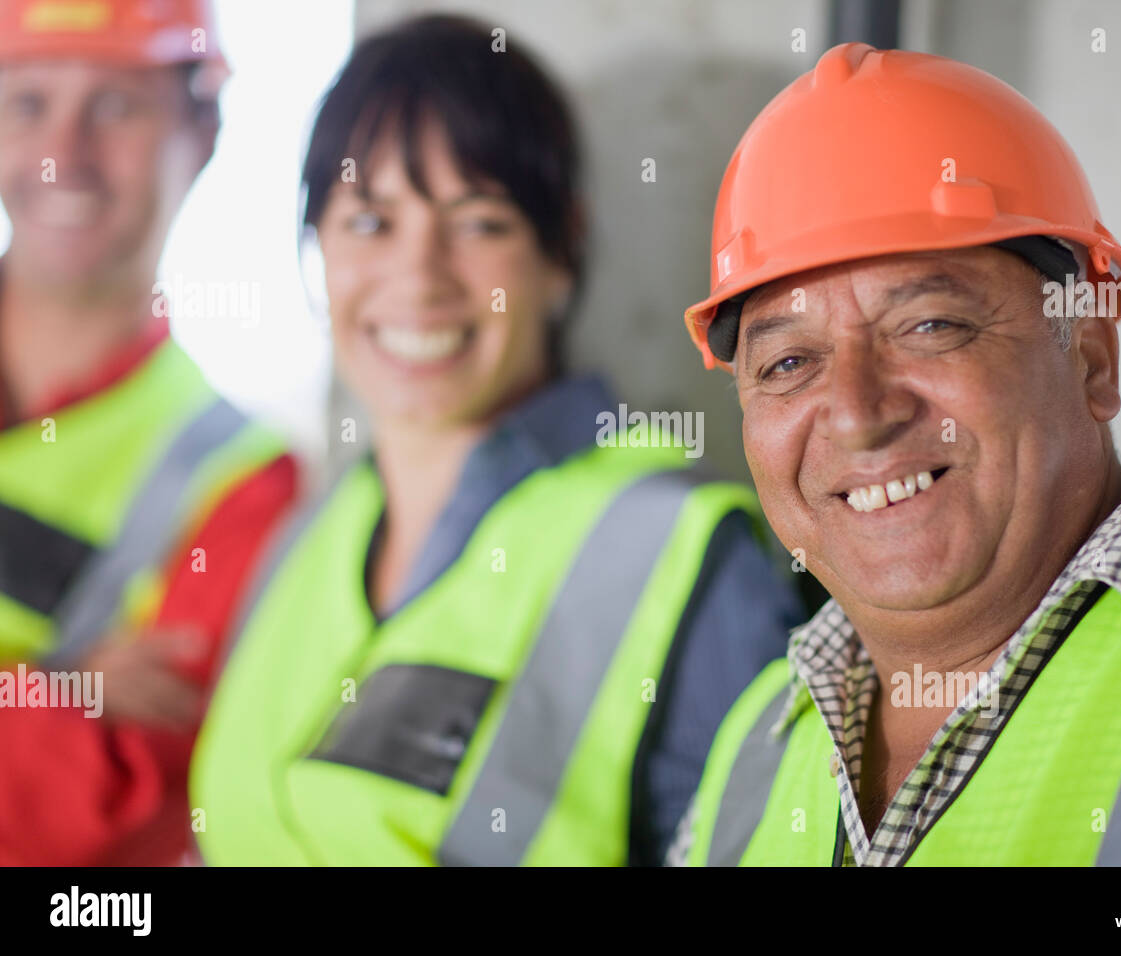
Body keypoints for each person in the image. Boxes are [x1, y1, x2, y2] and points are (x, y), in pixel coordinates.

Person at [188, 14, 801, 867]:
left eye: (478, 222)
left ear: (561, 253)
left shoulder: (685, 556)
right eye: (369, 222)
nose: (419, 278)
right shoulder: (303, 539)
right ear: (316, 249)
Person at [675, 42, 1121, 866]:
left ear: (1091, 359)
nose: (858, 417)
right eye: (789, 363)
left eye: (931, 326)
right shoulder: (754, 748)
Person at [0, 0, 299, 865]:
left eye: (116, 106)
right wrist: (56, 691)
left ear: (201, 131)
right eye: (27, 104)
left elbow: (104, 808)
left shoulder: (240, 483)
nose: (64, 156)